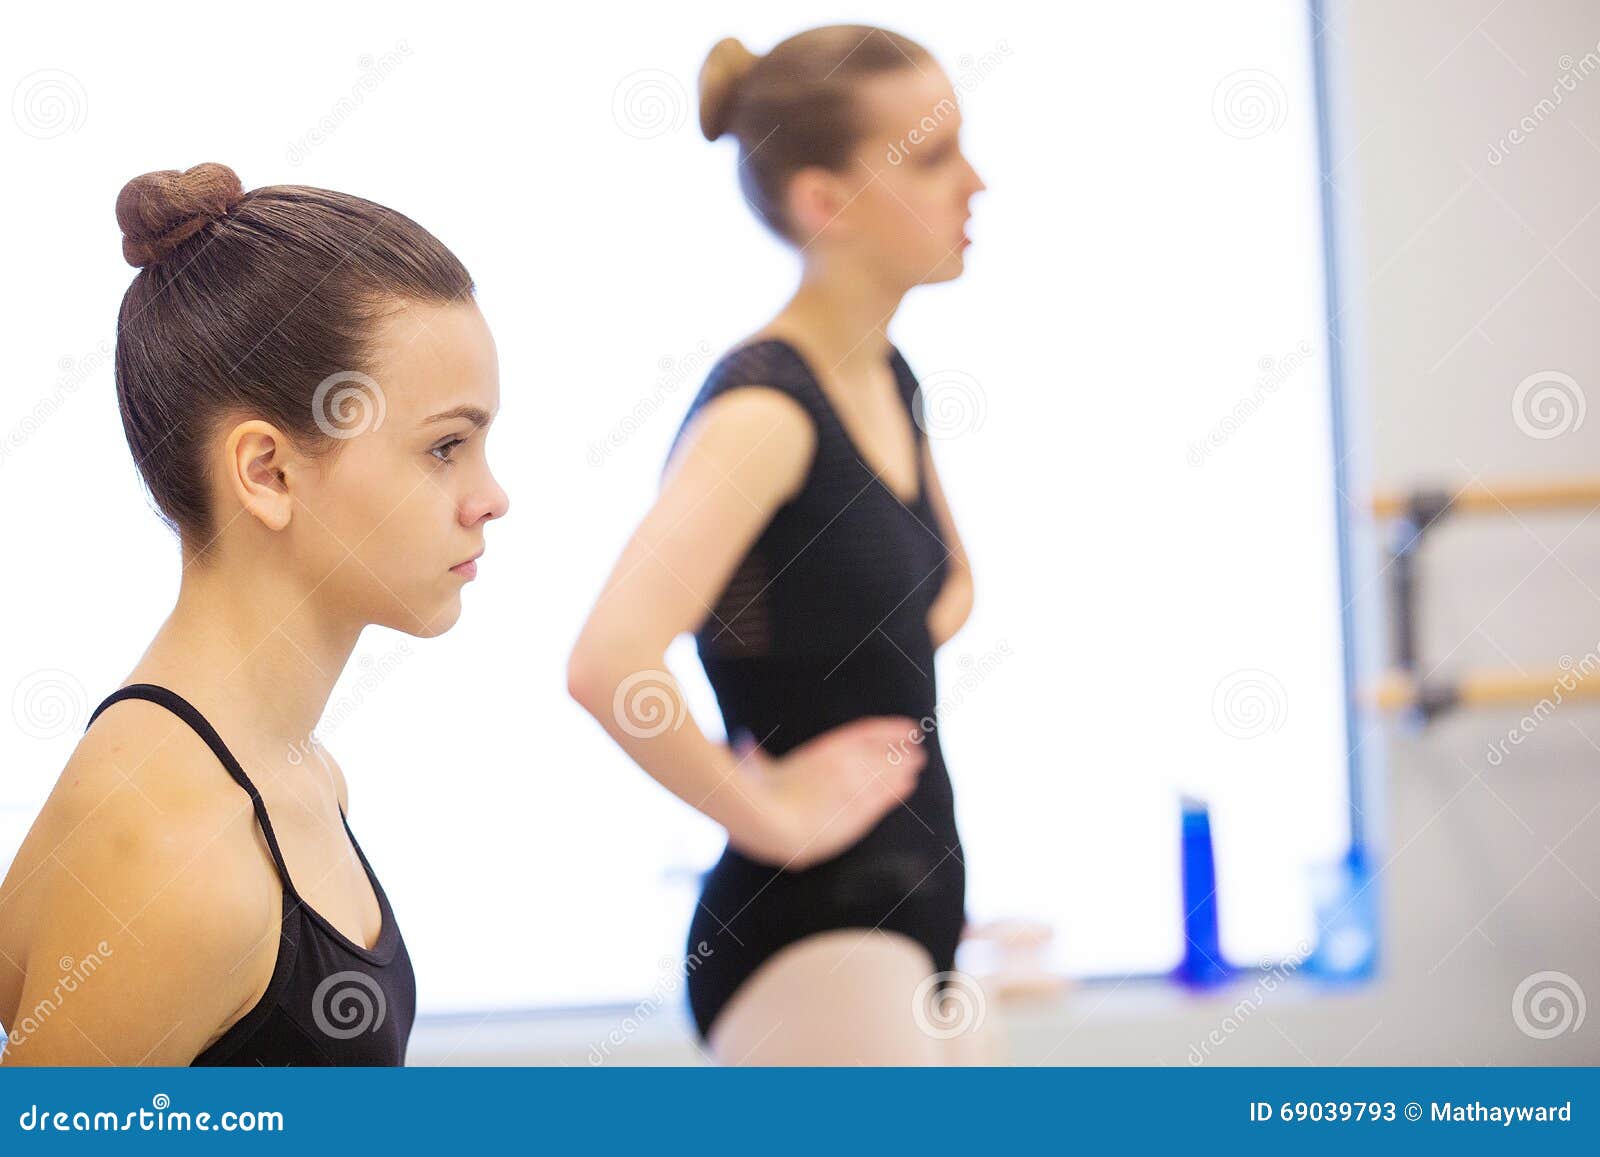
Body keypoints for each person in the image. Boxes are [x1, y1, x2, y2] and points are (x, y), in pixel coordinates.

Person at [0, 162, 509, 1064]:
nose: (492, 497)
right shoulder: (174, 850)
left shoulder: (305, 776)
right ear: (267, 472)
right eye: (445, 447)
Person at [568, 25, 988, 1063]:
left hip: (906, 912)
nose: (975, 183)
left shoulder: (887, 375)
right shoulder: (764, 414)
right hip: (811, 932)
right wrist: (767, 809)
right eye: (933, 157)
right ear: (823, 199)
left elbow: (940, 593)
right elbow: (608, 662)